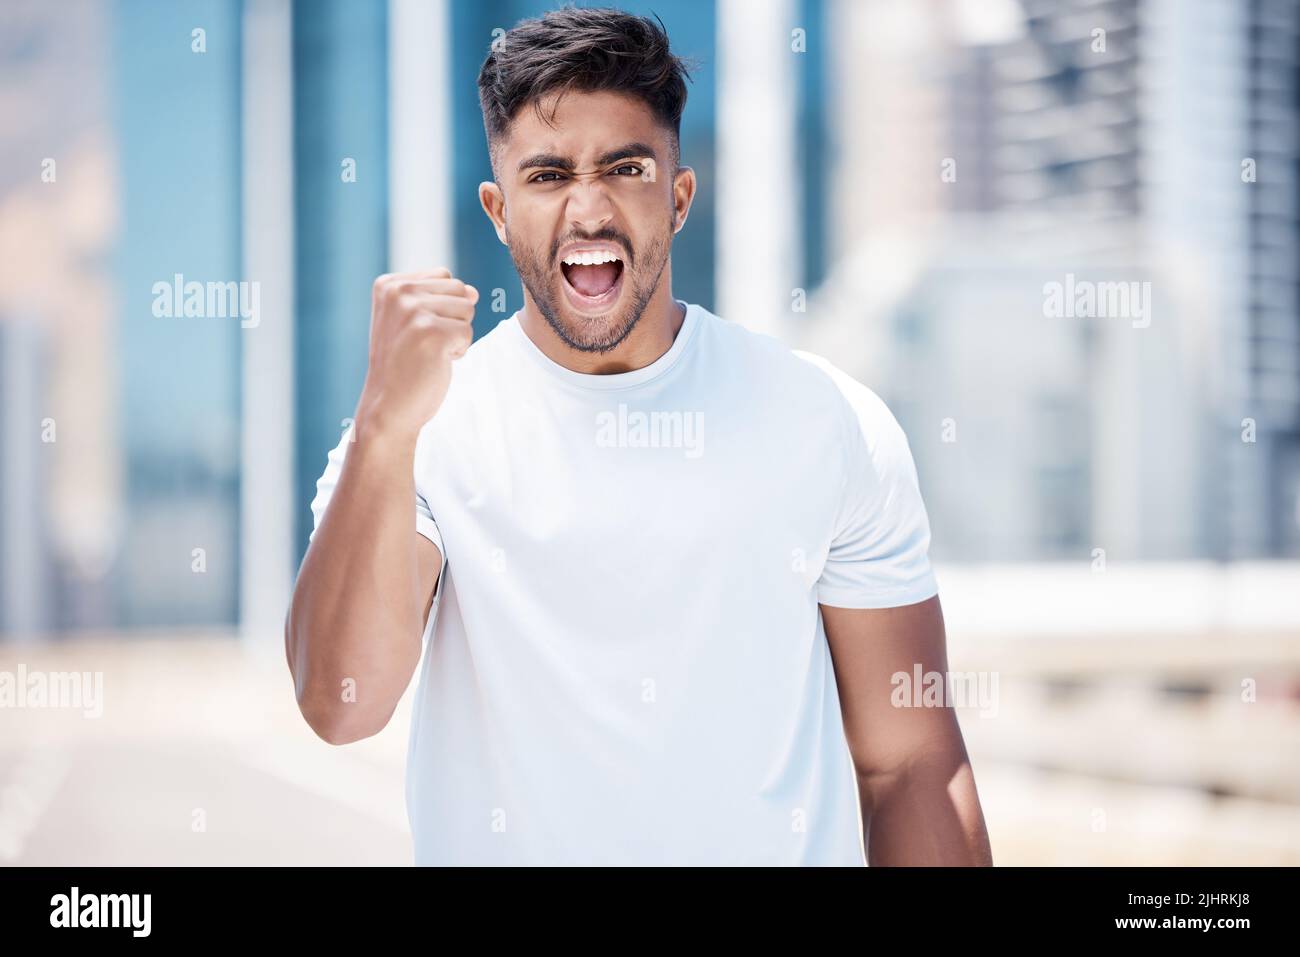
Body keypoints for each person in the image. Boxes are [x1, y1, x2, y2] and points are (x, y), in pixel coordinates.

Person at [285, 6, 992, 867]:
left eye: (624, 167)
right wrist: (383, 425)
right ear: (499, 211)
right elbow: (340, 701)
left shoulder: (826, 420)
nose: (588, 210)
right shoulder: (425, 429)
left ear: (679, 194)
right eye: (547, 176)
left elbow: (911, 763)